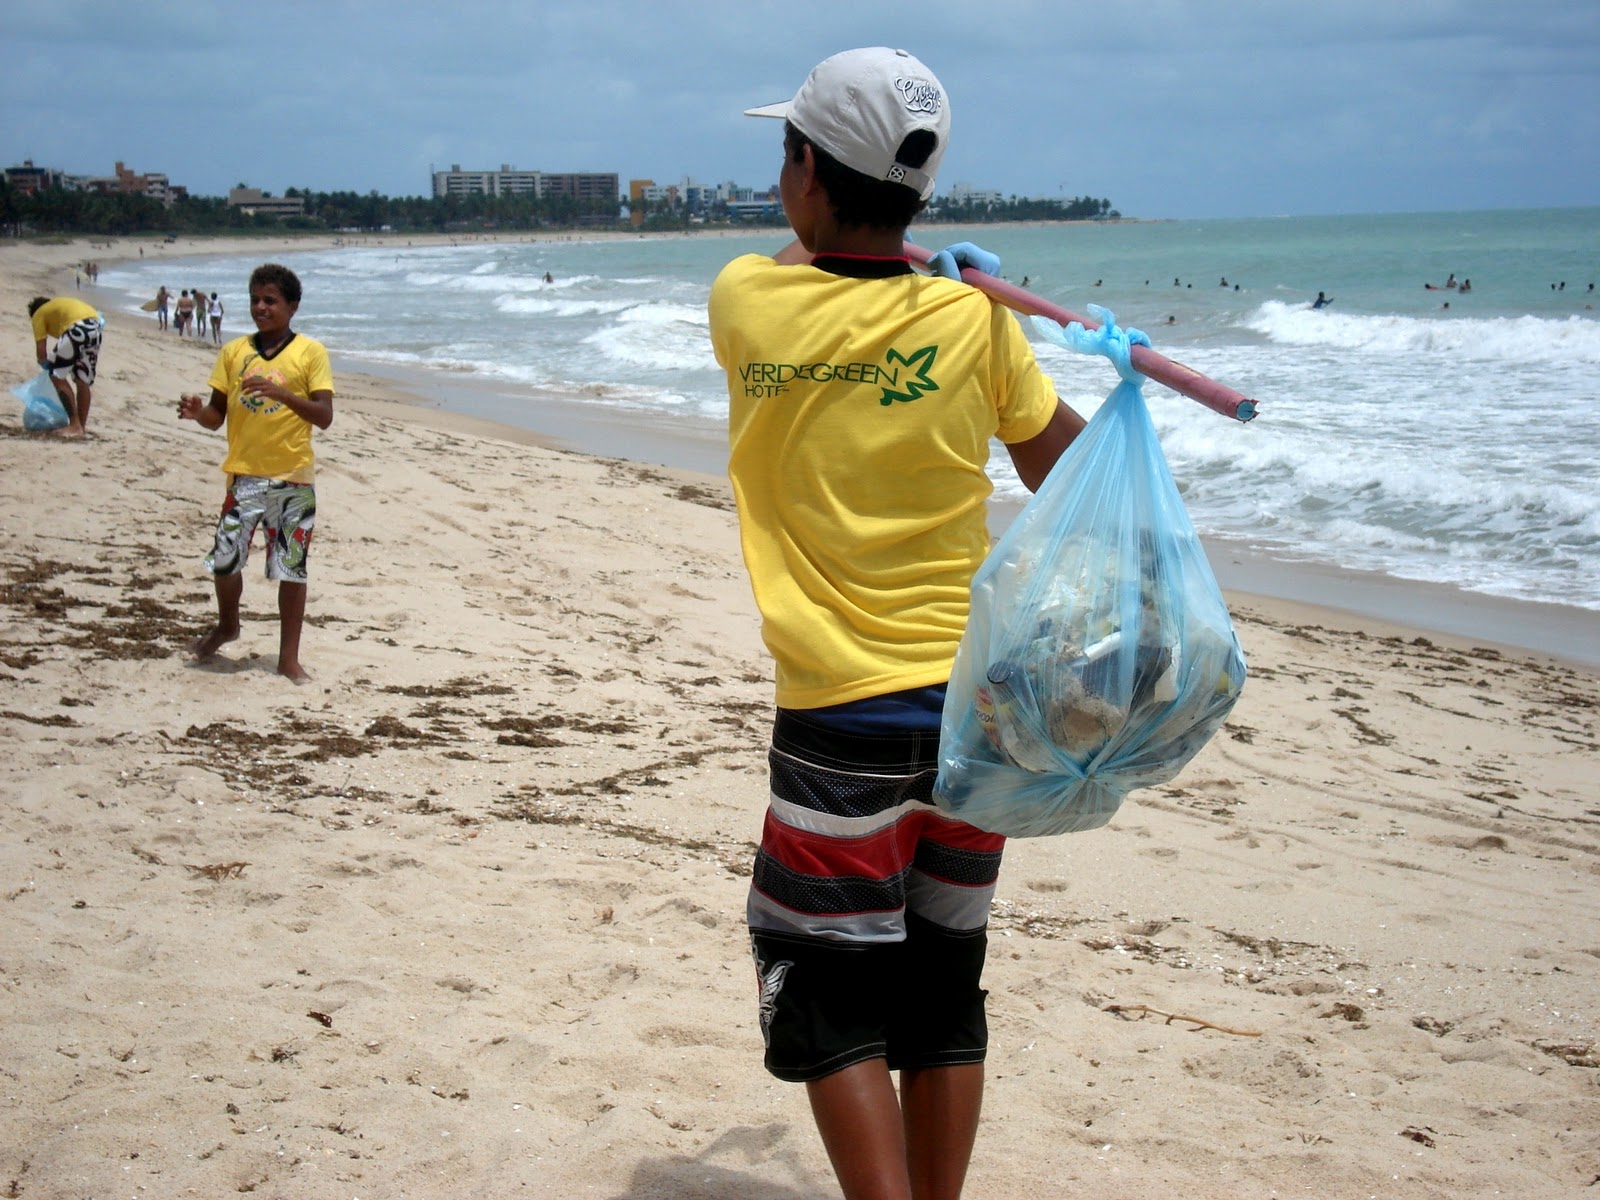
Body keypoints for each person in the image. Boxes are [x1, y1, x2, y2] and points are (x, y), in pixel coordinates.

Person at [708, 47, 1085, 1200]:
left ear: (806, 168)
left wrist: (908, 268)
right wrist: (953, 299)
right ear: (920, 192)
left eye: (788, 151)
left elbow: (797, 265)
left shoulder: (747, 300)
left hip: (843, 719)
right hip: (977, 720)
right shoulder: (974, 326)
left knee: (826, 996)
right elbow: (1062, 465)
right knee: (940, 992)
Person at [178, 264, 334, 684]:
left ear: (292, 307)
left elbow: (324, 416)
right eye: (255, 300)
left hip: (294, 478)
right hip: (244, 477)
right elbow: (216, 415)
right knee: (226, 562)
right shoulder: (234, 353)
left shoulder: (310, 353)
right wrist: (199, 414)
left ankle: (288, 658)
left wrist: (282, 393)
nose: (261, 308)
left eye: (270, 301)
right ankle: (228, 626)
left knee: (290, 568)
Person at [28, 295, 104, 438]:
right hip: (96, 327)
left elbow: (41, 351)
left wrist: (45, 363)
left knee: (55, 375)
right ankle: (81, 426)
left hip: (77, 329)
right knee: (82, 380)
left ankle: (74, 425)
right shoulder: (57, 307)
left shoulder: (38, 314)